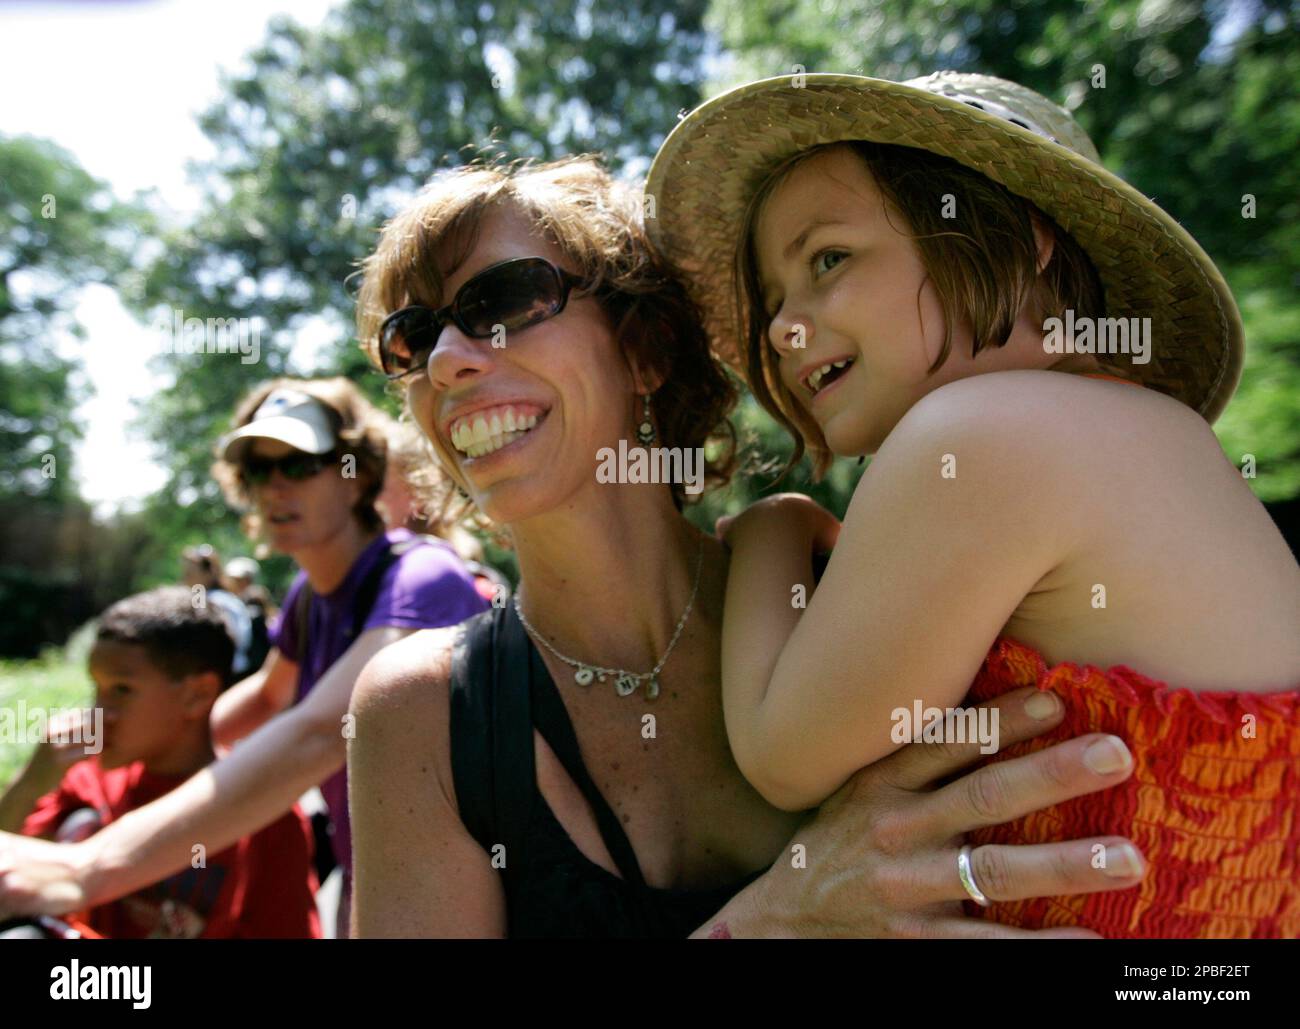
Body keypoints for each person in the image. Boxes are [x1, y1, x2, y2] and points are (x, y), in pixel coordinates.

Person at [344, 154, 1148, 938]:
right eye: (409, 341)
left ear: (646, 349)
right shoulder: (424, 715)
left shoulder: (866, 596)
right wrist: (773, 920)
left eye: (504, 299)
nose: (446, 362)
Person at [643, 71, 1300, 937]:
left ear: (1020, 236)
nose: (778, 328)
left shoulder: (978, 434)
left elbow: (780, 753)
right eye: (772, 301)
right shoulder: (1162, 435)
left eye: (828, 259)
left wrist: (773, 528)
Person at [0, 378, 487, 934]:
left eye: (301, 465)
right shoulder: (310, 597)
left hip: (471, 888)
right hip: (379, 880)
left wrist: (86, 868)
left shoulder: (422, 576)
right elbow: (266, 695)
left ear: (357, 477)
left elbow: (323, 730)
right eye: (259, 470)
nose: (276, 487)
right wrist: (137, 738)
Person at [0, 587, 320, 939]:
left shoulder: (262, 812)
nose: (98, 714)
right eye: (98, 689)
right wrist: (31, 784)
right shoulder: (87, 780)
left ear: (196, 695)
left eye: (121, 690)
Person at [181, 544, 255, 680]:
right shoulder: (201, 595)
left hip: (225, 674)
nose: (186, 578)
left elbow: (236, 640)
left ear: (208, 573)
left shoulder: (218, 600)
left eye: (190, 573)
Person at [225, 556, 274, 674]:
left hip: (254, 663)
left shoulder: (255, 597)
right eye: (233, 579)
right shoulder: (227, 599)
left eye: (240, 579)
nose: (236, 583)